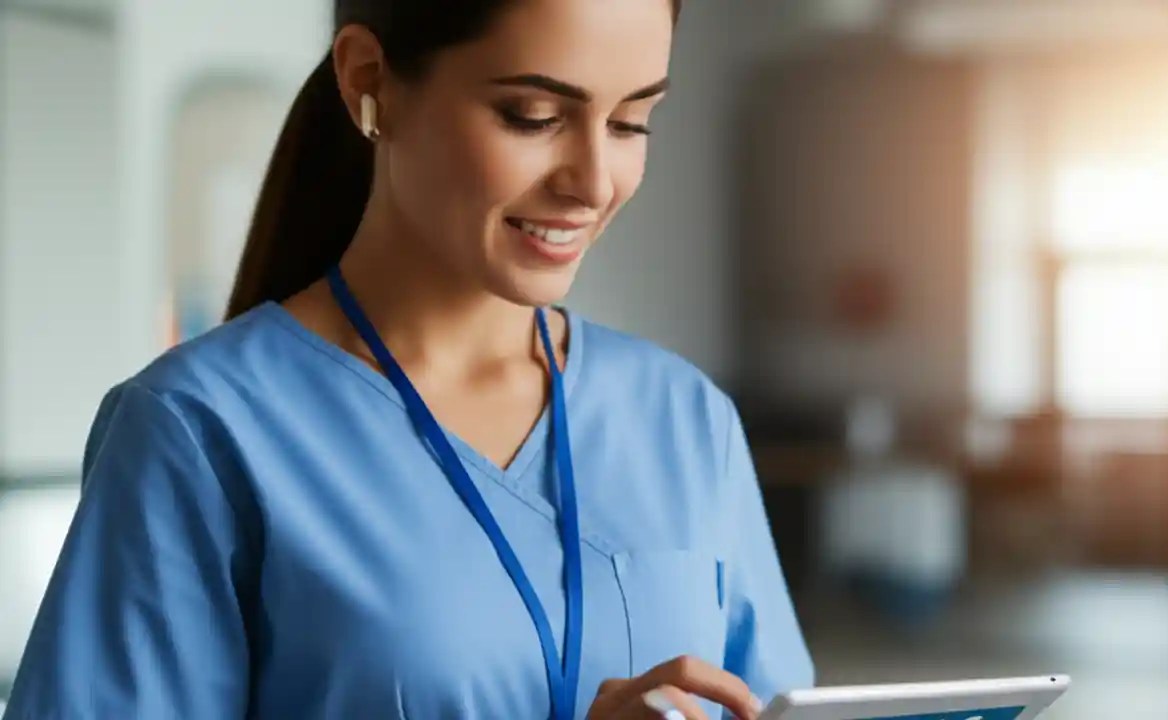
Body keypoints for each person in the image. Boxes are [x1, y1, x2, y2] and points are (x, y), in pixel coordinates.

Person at [3, 1, 814, 718]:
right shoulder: (200, 431)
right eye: (533, 116)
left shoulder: (685, 418)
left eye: (633, 122)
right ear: (371, 79)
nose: (594, 181)